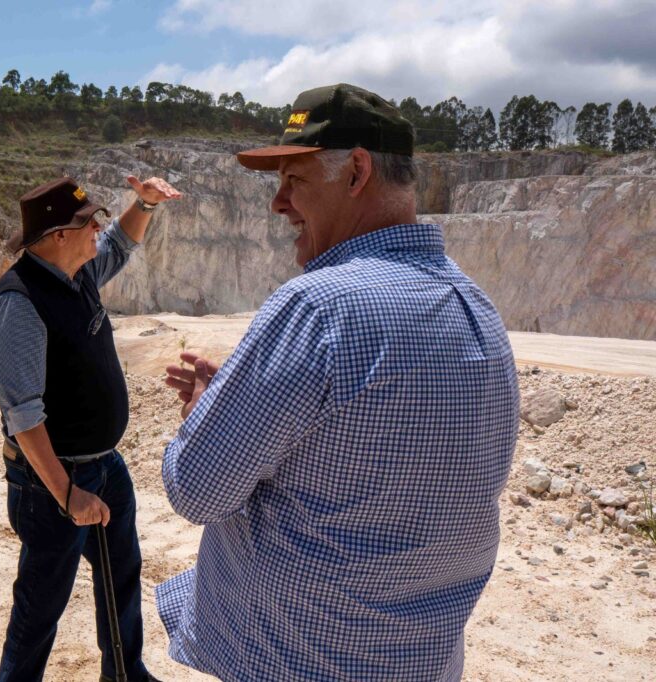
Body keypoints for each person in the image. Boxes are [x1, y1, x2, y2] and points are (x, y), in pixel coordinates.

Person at [158, 84, 521, 681]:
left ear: (356, 171)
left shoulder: (317, 307)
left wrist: (205, 413)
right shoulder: (477, 310)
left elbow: (198, 491)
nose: (278, 204)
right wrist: (250, 404)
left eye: (294, 180)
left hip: (296, 662)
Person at [0, 175, 180, 682]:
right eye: (86, 223)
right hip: (53, 479)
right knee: (42, 601)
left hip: (103, 465)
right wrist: (68, 495)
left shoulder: (77, 272)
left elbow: (120, 242)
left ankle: (124, 672)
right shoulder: (20, 303)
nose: (98, 227)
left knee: (121, 573)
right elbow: (23, 417)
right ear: (56, 236)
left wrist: (145, 204)